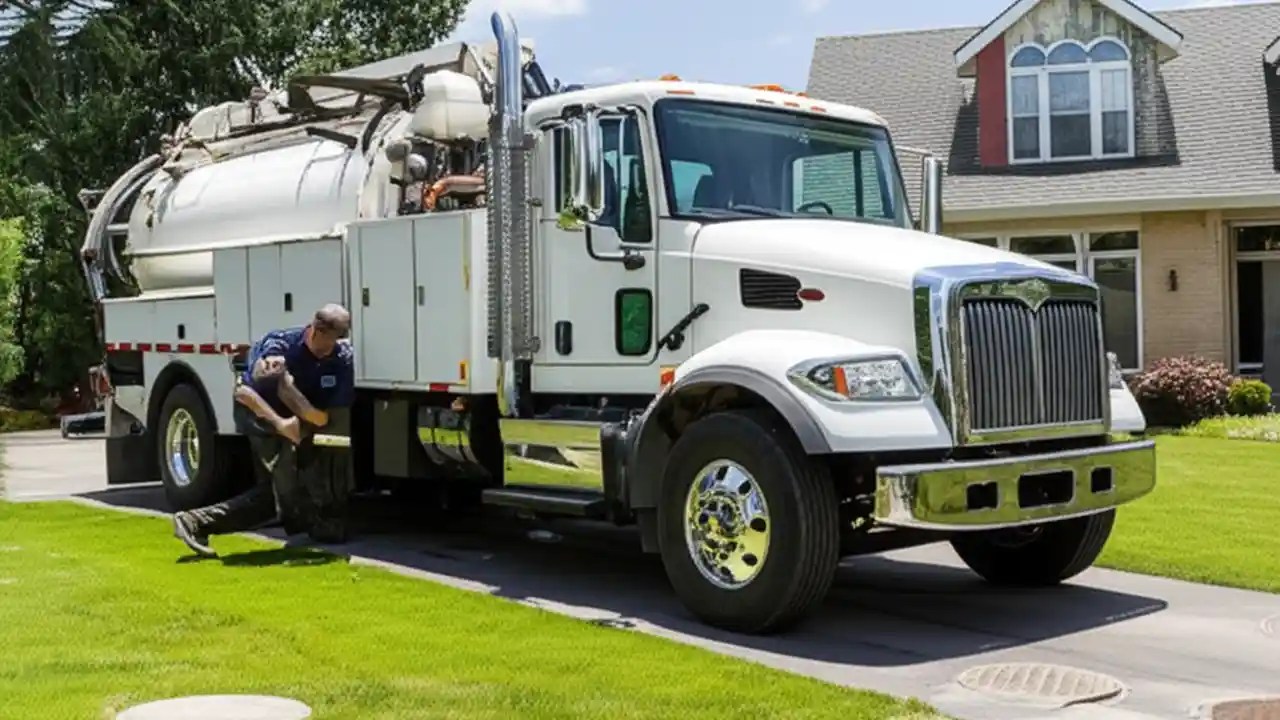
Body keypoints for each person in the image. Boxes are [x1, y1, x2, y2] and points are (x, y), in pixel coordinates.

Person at [172, 304, 355, 558]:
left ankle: (311, 520)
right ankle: (194, 522)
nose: (331, 348)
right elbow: (245, 393)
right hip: (259, 417)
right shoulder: (280, 345)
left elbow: (322, 418)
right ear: (315, 331)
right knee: (275, 499)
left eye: (338, 341)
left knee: (295, 487)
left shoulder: (340, 358)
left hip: (295, 419)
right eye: (330, 341)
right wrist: (281, 423)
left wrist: (291, 396)